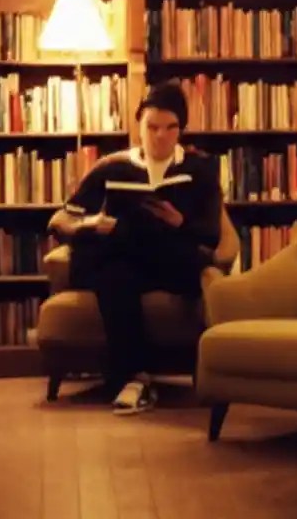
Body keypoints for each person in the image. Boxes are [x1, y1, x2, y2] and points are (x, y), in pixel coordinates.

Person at [48, 80, 222, 415]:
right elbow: (60, 219)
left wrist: (180, 223)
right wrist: (88, 225)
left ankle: (132, 378)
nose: (160, 136)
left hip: (172, 263)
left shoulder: (199, 170)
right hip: (125, 261)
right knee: (114, 272)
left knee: (117, 260)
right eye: (152, 127)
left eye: (170, 128)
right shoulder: (113, 166)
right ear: (138, 126)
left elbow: (212, 234)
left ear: (180, 130)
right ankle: (135, 378)